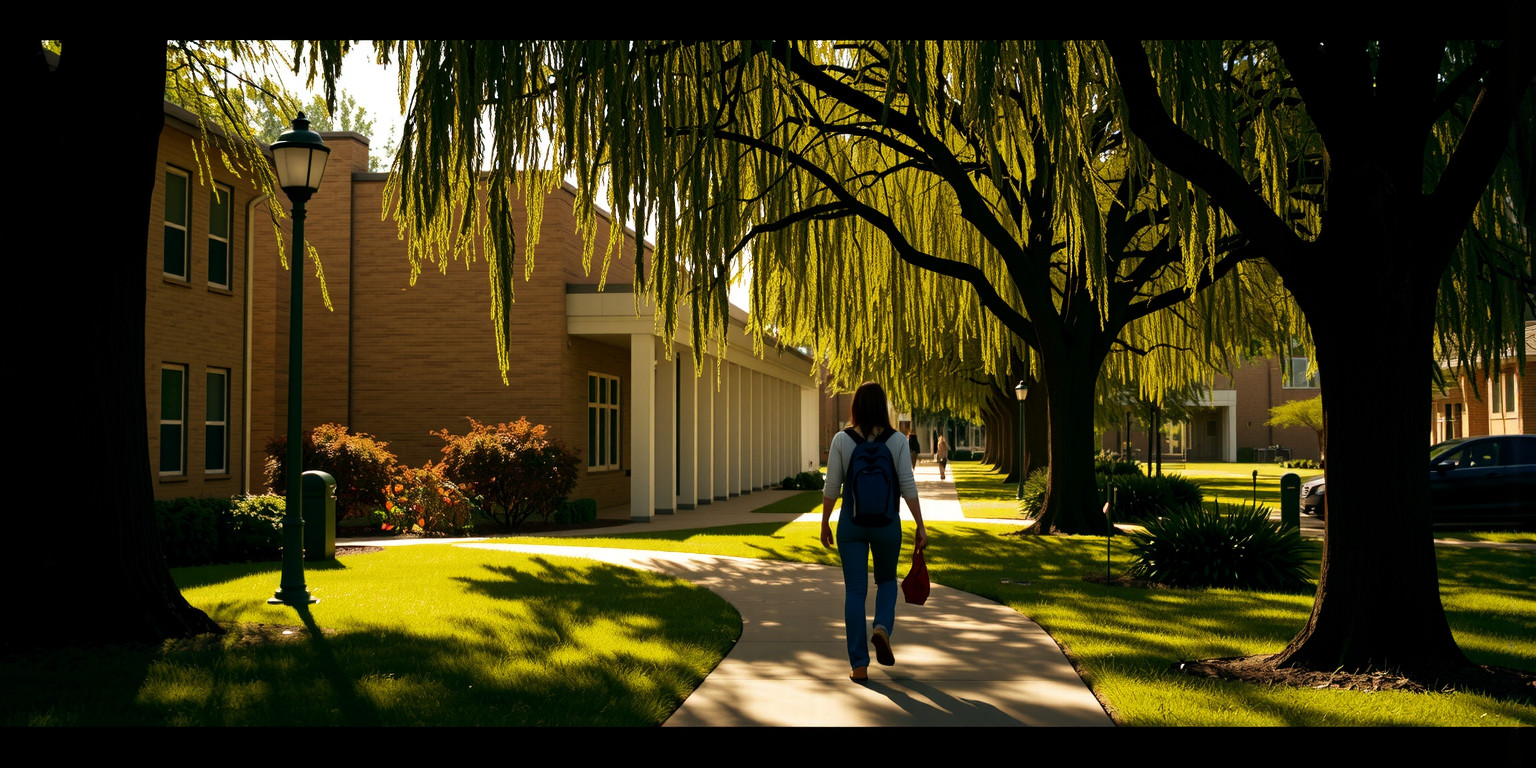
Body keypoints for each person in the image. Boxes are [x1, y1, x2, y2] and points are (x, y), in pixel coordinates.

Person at [821, 382, 927, 682]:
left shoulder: (842, 439)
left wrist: (825, 521)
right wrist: (920, 525)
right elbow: (908, 486)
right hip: (887, 524)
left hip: (851, 526)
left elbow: (832, 487)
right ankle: (881, 627)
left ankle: (858, 665)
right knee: (886, 581)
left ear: (854, 406)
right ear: (883, 407)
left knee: (855, 591)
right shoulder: (898, 441)